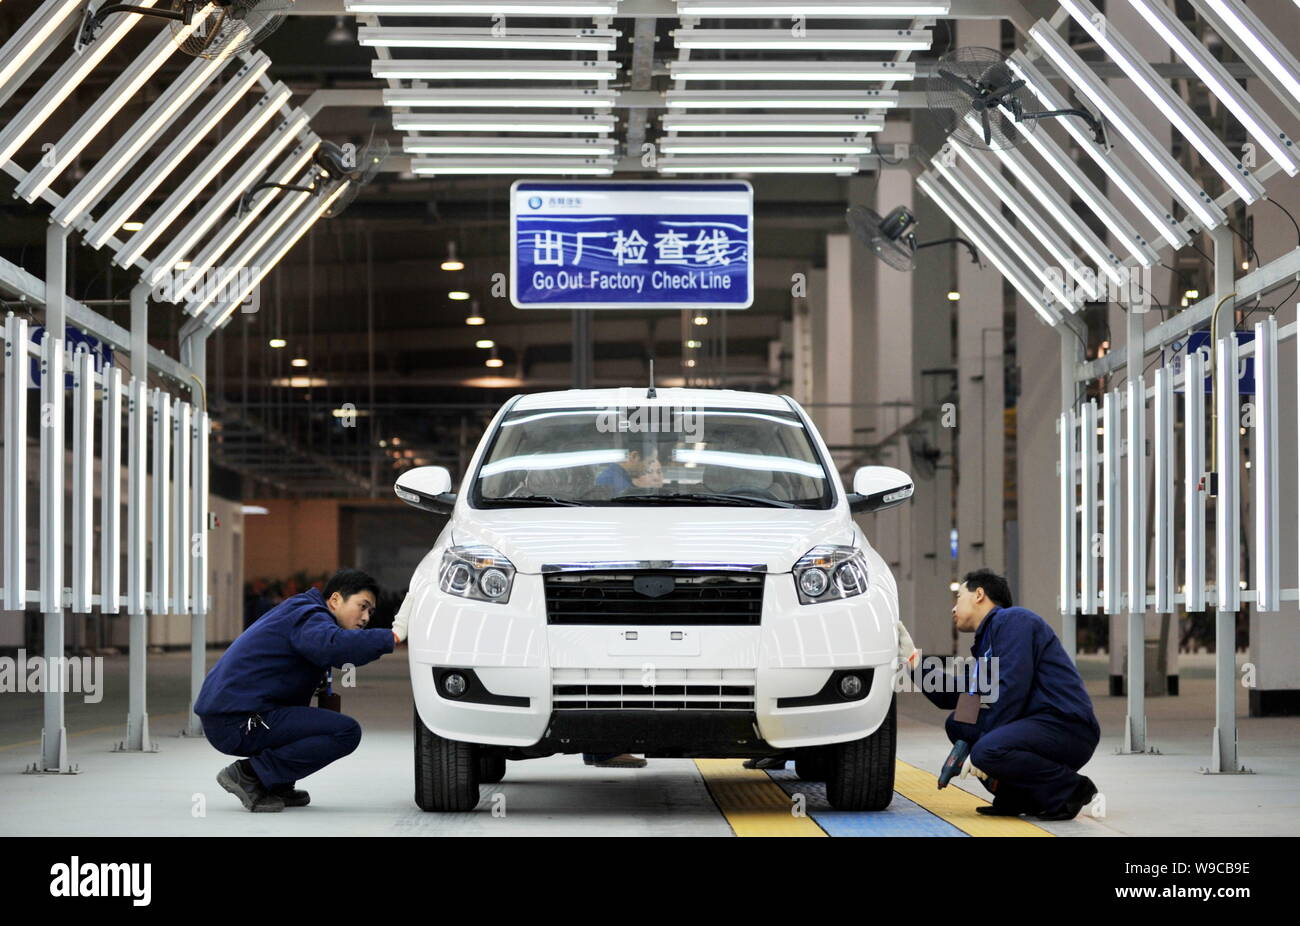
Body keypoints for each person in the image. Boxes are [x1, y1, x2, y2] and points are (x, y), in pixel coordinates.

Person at [196, 568, 401, 812]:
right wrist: (392, 637)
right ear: (335, 600)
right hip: (238, 721)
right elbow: (335, 647)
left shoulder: (304, 612)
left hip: (240, 715)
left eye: (371, 611)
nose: (366, 617)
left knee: (308, 719)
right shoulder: (308, 616)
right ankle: (250, 775)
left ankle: (276, 783)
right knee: (345, 732)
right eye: (362, 606)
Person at [910, 569, 1101, 820]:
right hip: (1034, 725)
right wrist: (913, 664)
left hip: (1065, 725)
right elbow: (962, 695)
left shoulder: (1013, 620)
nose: (953, 609)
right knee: (958, 723)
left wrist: (981, 750)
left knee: (987, 750)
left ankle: (1070, 789)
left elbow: (1011, 690)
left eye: (958, 598)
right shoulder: (987, 642)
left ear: (979, 594)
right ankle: (1017, 796)